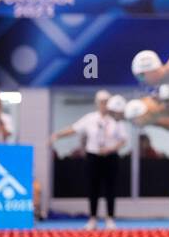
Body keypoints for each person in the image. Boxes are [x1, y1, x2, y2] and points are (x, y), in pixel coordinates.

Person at [48, 89, 128, 229]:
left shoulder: (116, 119)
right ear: (97, 103)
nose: (104, 105)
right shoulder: (90, 118)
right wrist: (58, 135)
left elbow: (123, 140)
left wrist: (111, 149)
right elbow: (74, 129)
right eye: (101, 102)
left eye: (106, 102)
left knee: (110, 188)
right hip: (93, 157)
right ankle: (93, 219)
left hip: (110, 157)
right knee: (93, 188)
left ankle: (110, 218)